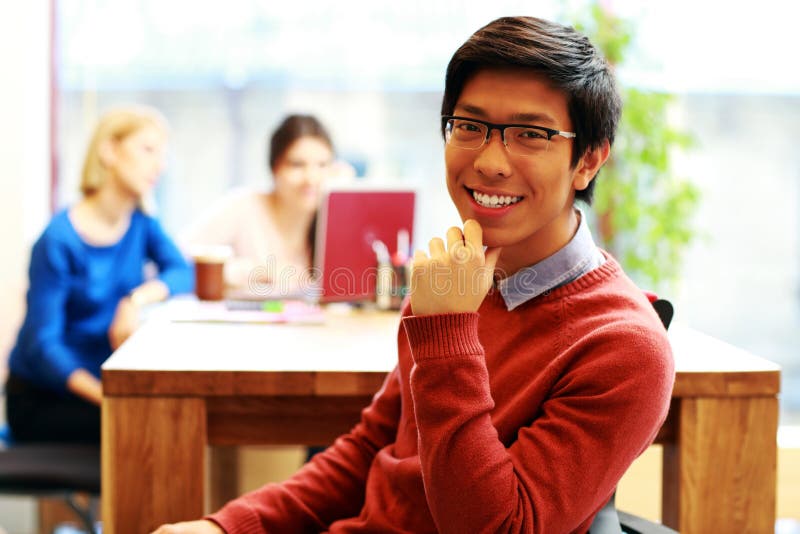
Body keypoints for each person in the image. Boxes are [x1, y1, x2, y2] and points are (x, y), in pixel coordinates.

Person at [153, 16, 674, 534]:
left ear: (588, 160)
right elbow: (370, 451)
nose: (490, 161)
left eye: (530, 134)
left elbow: (498, 528)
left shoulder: (625, 346)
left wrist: (447, 335)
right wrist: (228, 526)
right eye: (469, 126)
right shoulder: (451, 283)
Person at [4, 106, 192, 443]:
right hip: (45, 397)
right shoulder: (58, 240)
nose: (159, 166)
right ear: (109, 151)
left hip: (104, 384)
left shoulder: (140, 223)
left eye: (163, 155)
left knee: (169, 420)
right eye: (148, 150)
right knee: (151, 430)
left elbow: (181, 271)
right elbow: (42, 346)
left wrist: (134, 301)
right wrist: (107, 397)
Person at [180, 114, 351, 297]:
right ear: (275, 167)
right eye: (297, 165)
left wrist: (346, 202)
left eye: (322, 165)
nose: (311, 178)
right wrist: (253, 271)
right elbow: (178, 263)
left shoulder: (329, 219)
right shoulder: (243, 205)